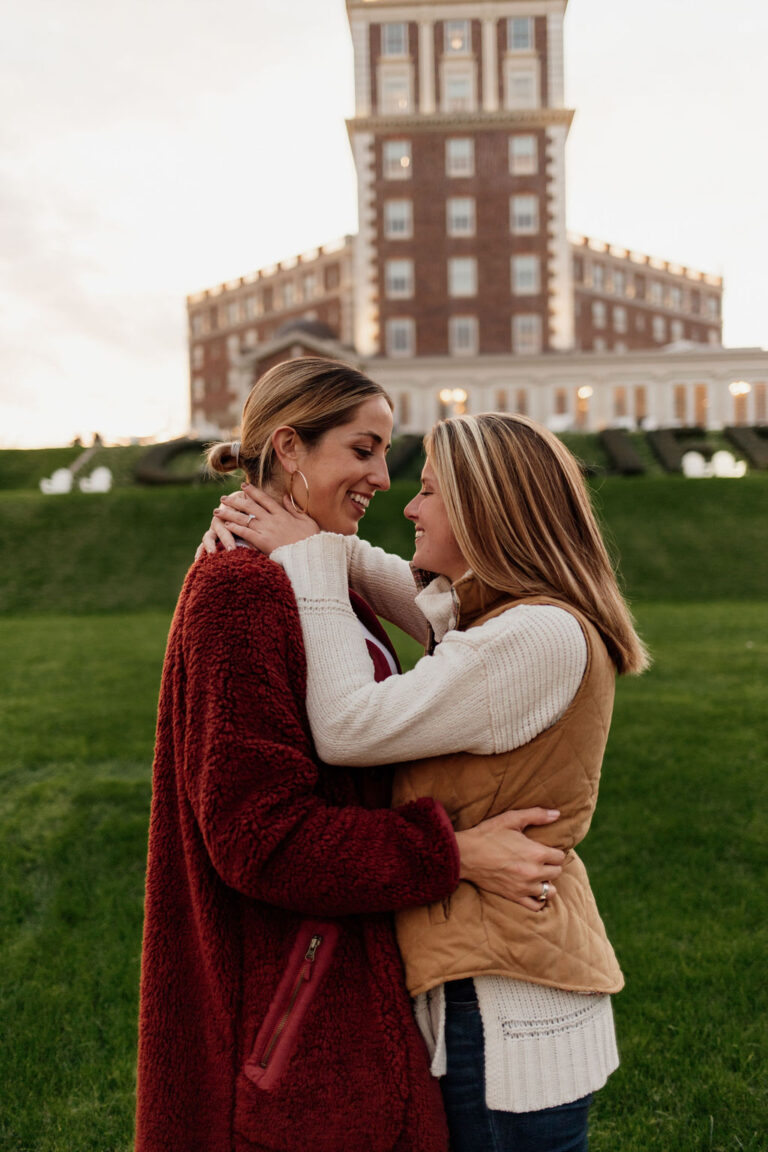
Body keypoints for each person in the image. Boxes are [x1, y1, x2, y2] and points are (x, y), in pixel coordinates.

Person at [136, 359, 565, 1152]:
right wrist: (453, 853)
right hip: (291, 1018)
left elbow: (461, 621)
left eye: (385, 453)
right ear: (289, 448)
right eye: (362, 450)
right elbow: (260, 838)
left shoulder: (312, 579)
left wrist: (328, 554)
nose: (382, 478)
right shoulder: (240, 592)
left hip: (336, 992)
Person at [206, 409, 650, 1152]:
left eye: (430, 491)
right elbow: (396, 589)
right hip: (498, 990)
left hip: (501, 1015)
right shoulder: (515, 619)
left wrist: (309, 558)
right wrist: (299, 531)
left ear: (483, 511)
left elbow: (348, 727)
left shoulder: (533, 637)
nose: (408, 507)